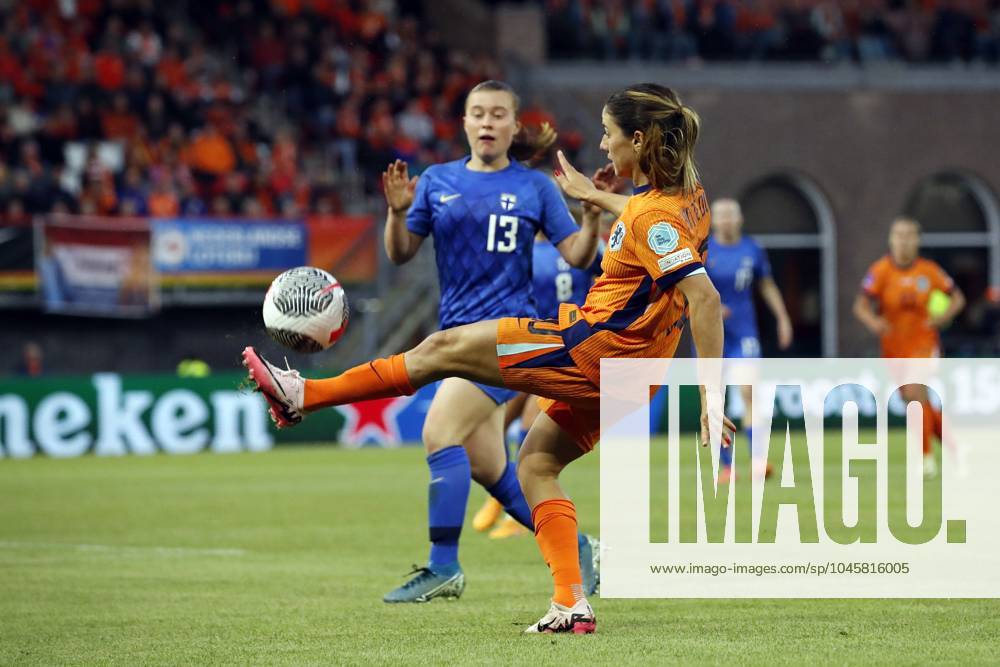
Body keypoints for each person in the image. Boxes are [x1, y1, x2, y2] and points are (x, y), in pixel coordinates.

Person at [242, 82, 736, 634]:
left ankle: (304, 395)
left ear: (639, 140)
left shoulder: (651, 218)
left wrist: (711, 399)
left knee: (440, 351)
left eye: (608, 134)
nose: (601, 145)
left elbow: (706, 298)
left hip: (594, 350)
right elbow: (647, 218)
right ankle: (571, 603)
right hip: (635, 375)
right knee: (534, 465)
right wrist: (597, 199)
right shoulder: (688, 199)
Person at [375, 80, 601, 603]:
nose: (487, 122)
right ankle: (581, 545)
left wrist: (590, 216)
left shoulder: (535, 188)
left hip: (509, 339)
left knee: (438, 432)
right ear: (464, 123)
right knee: (486, 465)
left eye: (498, 114)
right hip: (457, 339)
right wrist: (394, 212)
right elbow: (402, 253)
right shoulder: (436, 182)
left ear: (513, 126)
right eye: (478, 113)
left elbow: (577, 257)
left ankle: (443, 566)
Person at [473, 226, 604, 539]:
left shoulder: (574, 249)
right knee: (497, 422)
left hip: (560, 350)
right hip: (529, 344)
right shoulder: (542, 250)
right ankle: (500, 494)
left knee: (530, 424)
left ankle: (517, 515)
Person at [853, 216, 965, 478]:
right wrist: (874, 322)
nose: (903, 241)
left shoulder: (929, 271)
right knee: (914, 400)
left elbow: (957, 298)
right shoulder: (881, 271)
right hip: (894, 348)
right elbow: (860, 306)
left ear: (917, 240)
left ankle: (926, 458)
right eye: (898, 235)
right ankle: (956, 448)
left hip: (924, 344)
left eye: (908, 235)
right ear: (891, 239)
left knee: (916, 393)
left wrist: (943, 317)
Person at [704, 198, 793, 481]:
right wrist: (711, 307)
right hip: (710, 334)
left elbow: (766, 285)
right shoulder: (703, 249)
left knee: (748, 393)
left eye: (732, 214)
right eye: (722, 215)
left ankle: (758, 460)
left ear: (740, 219)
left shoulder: (752, 249)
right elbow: (686, 290)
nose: (727, 220)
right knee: (715, 399)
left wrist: (782, 317)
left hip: (744, 332)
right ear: (713, 220)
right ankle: (727, 467)